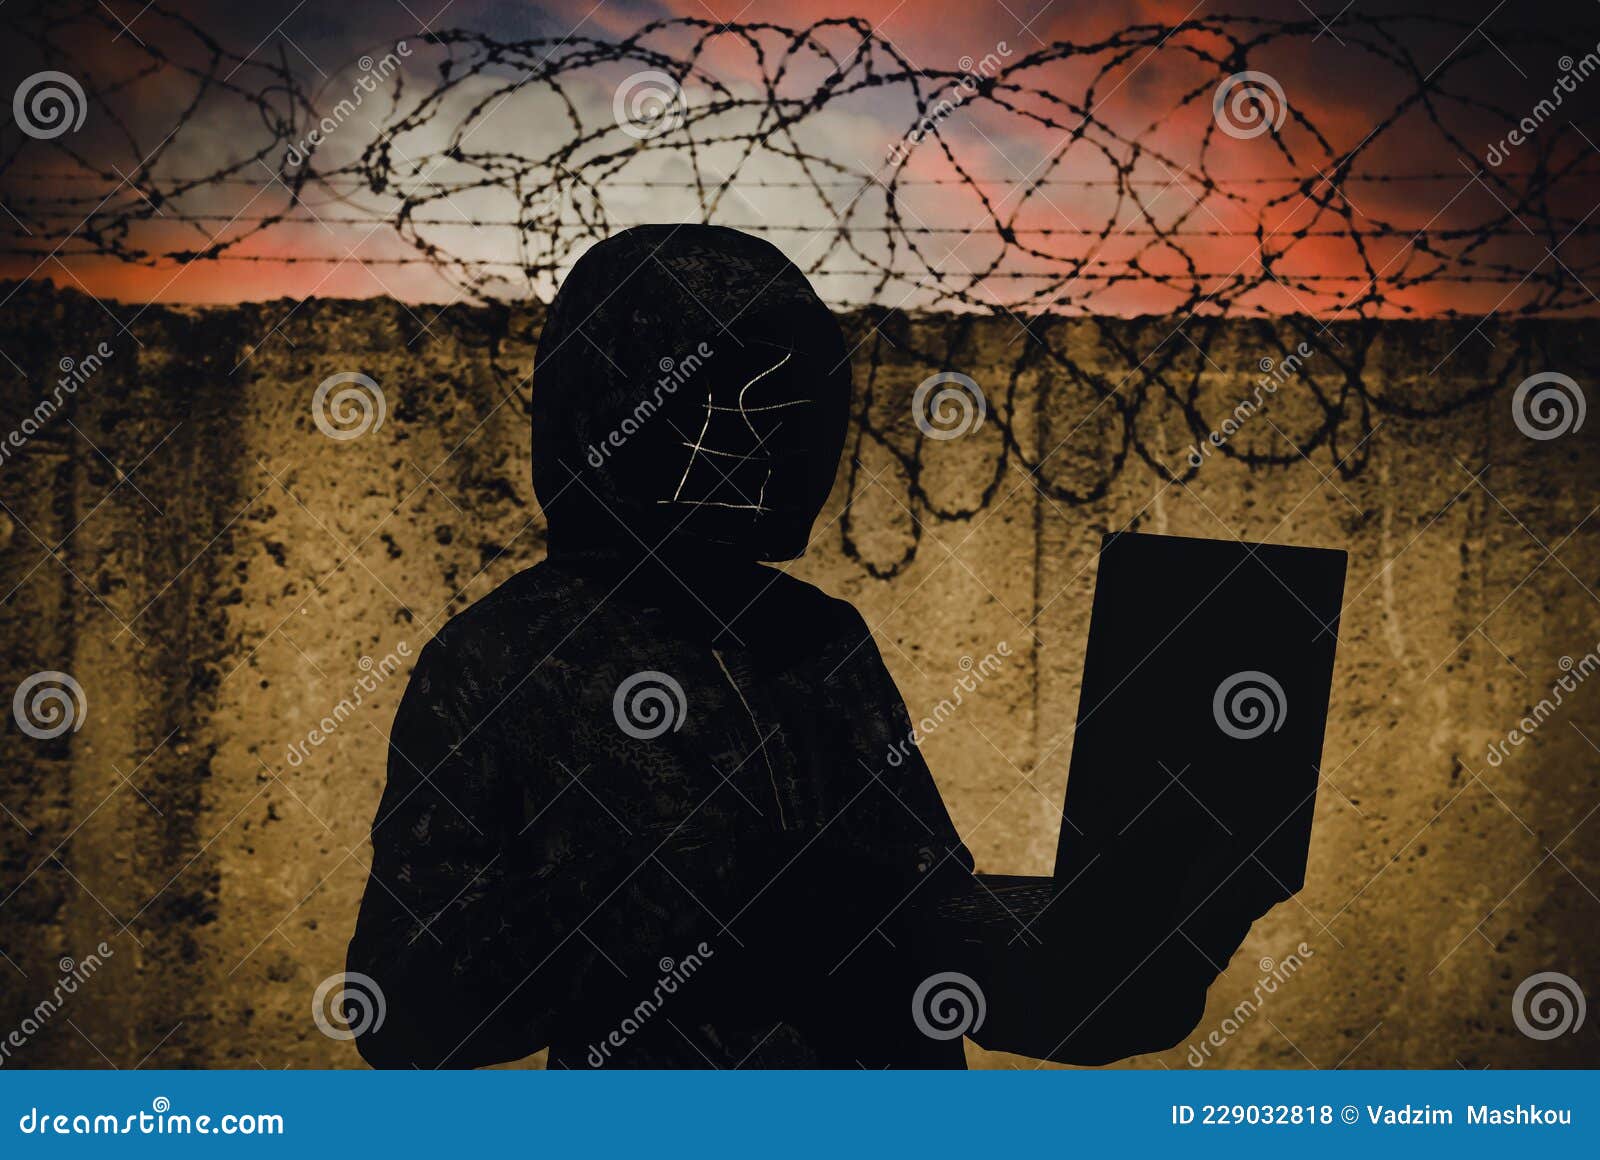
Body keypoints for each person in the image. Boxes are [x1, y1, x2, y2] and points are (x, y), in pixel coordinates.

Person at [347, 224, 1255, 1069]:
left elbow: (928, 925)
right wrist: (665, 900)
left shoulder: (820, 640)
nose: (763, 439)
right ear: (614, 405)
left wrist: (1144, 932)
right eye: (721, 402)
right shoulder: (499, 660)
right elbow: (399, 1005)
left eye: (787, 402)